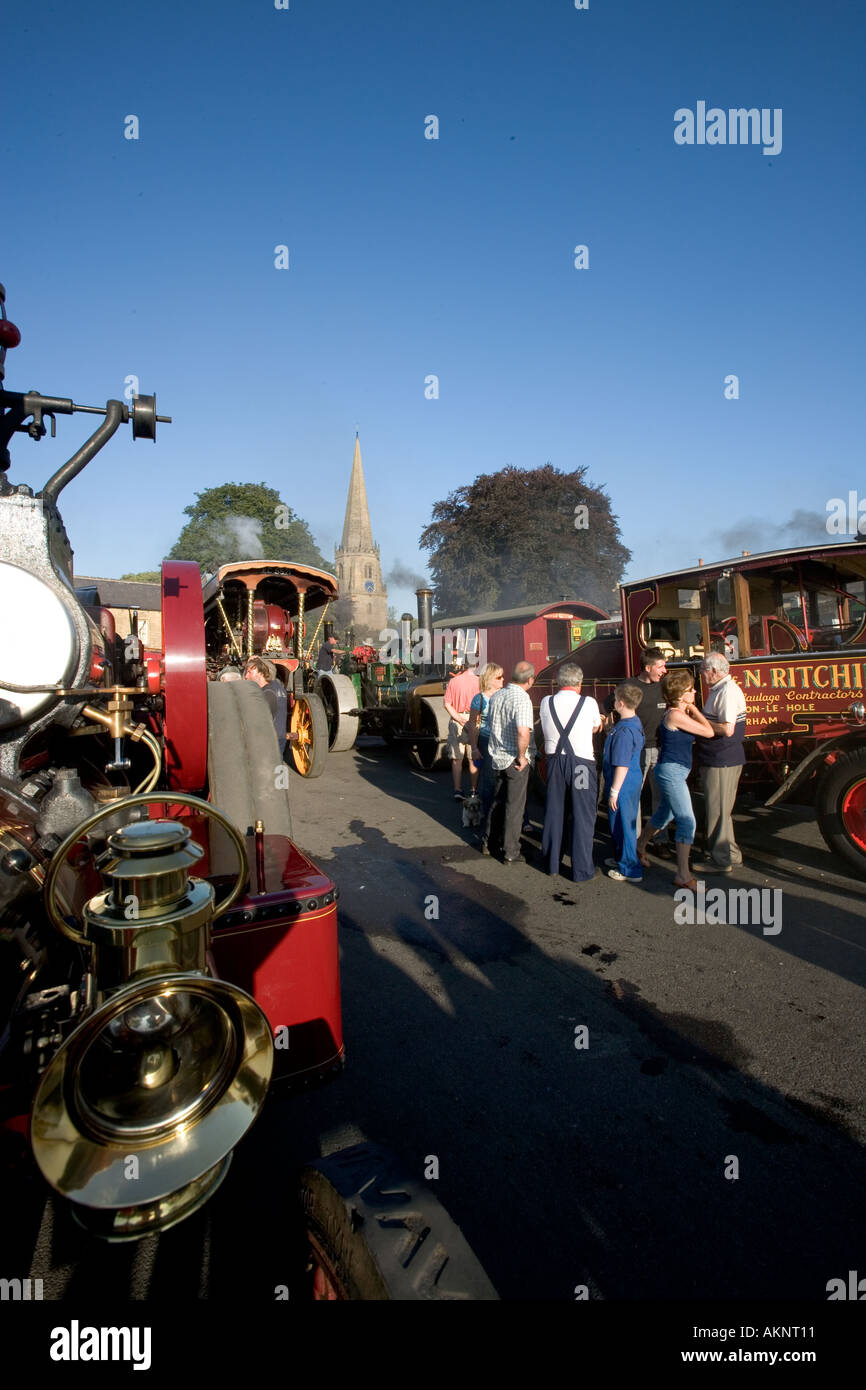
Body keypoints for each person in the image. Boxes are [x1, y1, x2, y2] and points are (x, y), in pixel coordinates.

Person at [636, 669, 715, 890]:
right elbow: (708, 732)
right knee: (687, 821)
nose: (695, 692)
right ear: (681, 694)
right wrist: (694, 708)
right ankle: (683, 875)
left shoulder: (679, 714)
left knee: (664, 814)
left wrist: (690, 707)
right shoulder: (676, 715)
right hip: (671, 772)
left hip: (674, 771)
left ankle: (640, 845)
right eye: (691, 690)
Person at [539, 663, 603, 881]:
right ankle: (582, 870)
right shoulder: (589, 702)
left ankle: (551, 864)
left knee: (554, 812)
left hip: (555, 762)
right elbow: (595, 727)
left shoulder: (546, 702)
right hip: (582, 764)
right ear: (579, 682)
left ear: (559, 682)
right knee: (582, 814)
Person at [694, 652, 747, 872]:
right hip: (723, 758)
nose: (701, 673)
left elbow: (727, 728)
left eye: (703, 669)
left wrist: (701, 725)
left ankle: (720, 860)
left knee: (716, 811)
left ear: (714, 671)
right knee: (723, 810)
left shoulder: (726, 692)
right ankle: (731, 854)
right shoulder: (722, 689)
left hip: (721, 759)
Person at [481, 661, 535, 863]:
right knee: (515, 807)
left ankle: (488, 842)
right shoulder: (522, 699)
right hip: (514, 760)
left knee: (497, 801)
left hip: (497, 757)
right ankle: (511, 851)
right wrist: (522, 756)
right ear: (530, 680)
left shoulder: (498, 695)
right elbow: (523, 731)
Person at [603, 683, 645, 882]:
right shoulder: (631, 723)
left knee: (623, 823)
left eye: (615, 699)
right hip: (629, 781)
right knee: (621, 821)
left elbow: (622, 763)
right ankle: (622, 858)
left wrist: (614, 791)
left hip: (623, 783)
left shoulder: (625, 731)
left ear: (620, 703)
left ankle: (630, 868)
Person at [466, 663, 505, 825]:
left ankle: (499, 814)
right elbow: (473, 725)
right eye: (499, 677)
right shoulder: (479, 698)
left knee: (502, 779)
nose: (503, 679)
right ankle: (488, 815)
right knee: (489, 779)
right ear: (490, 679)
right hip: (486, 741)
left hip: (503, 742)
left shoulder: (504, 695)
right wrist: (474, 748)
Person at [443, 656, 481, 801]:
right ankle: (473, 790)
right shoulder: (479, 682)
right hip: (475, 721)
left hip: (457, 720)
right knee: (473, 758)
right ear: (476, 665)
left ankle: (458, 790)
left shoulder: (454, 681)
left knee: (456, 759)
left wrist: (459, 718)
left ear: (464, 665)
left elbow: (447, 704)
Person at [244, 656, 288, 756]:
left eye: (249, 672)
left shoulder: (267, 693)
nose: (246, 676)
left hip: (269, 740)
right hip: (278, 736)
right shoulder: (278, 687)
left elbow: (262, 720)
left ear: (260, 673)